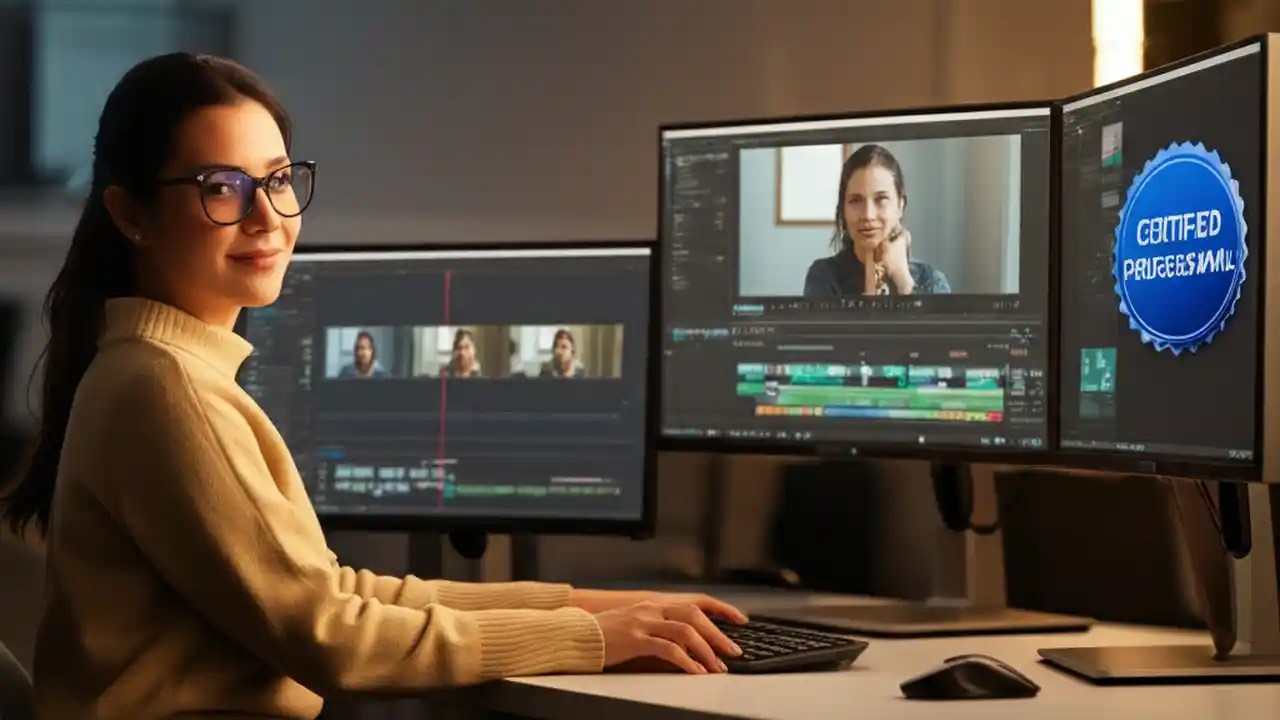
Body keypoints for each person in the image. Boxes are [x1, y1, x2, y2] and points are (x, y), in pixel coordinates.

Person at [0, 53, 746, 720]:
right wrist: (589, 637)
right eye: (219, 188)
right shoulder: (165, 390)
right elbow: (334, 638)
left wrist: (597, 608)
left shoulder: (158, 369)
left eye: (278, 180)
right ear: (131, 214)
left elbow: (338, 592)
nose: (266, 217)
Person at [803, 144, 951, 297]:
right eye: (855, 201)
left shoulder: (931, 281)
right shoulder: (824, 276)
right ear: (843, 209)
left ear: (901, 205)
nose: (868, 215)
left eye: (881, 199)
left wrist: (902, 279)